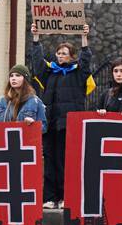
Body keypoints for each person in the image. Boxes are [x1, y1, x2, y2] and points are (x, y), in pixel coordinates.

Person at [28, 22, 93, 208]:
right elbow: (37, 63)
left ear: (72, 56)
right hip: (50, 122)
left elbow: (86, 60)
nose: (60, 55)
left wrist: (84, 39)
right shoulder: (50, 72)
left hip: (68, 124)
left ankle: (65, 196)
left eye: (64, 53)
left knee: (65, 161)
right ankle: (49, 197)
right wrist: (36, 38)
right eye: (58, 53)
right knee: (49, 159)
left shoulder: (78, 73)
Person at [0, 65, 48, 133]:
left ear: (25, 79)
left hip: (26, 141)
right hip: (5, 141)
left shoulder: (35, 101)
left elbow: (44, 128)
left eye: (18, 75)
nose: (13, 78)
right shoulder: (1, 101)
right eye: (11, 76)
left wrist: (33, 124)